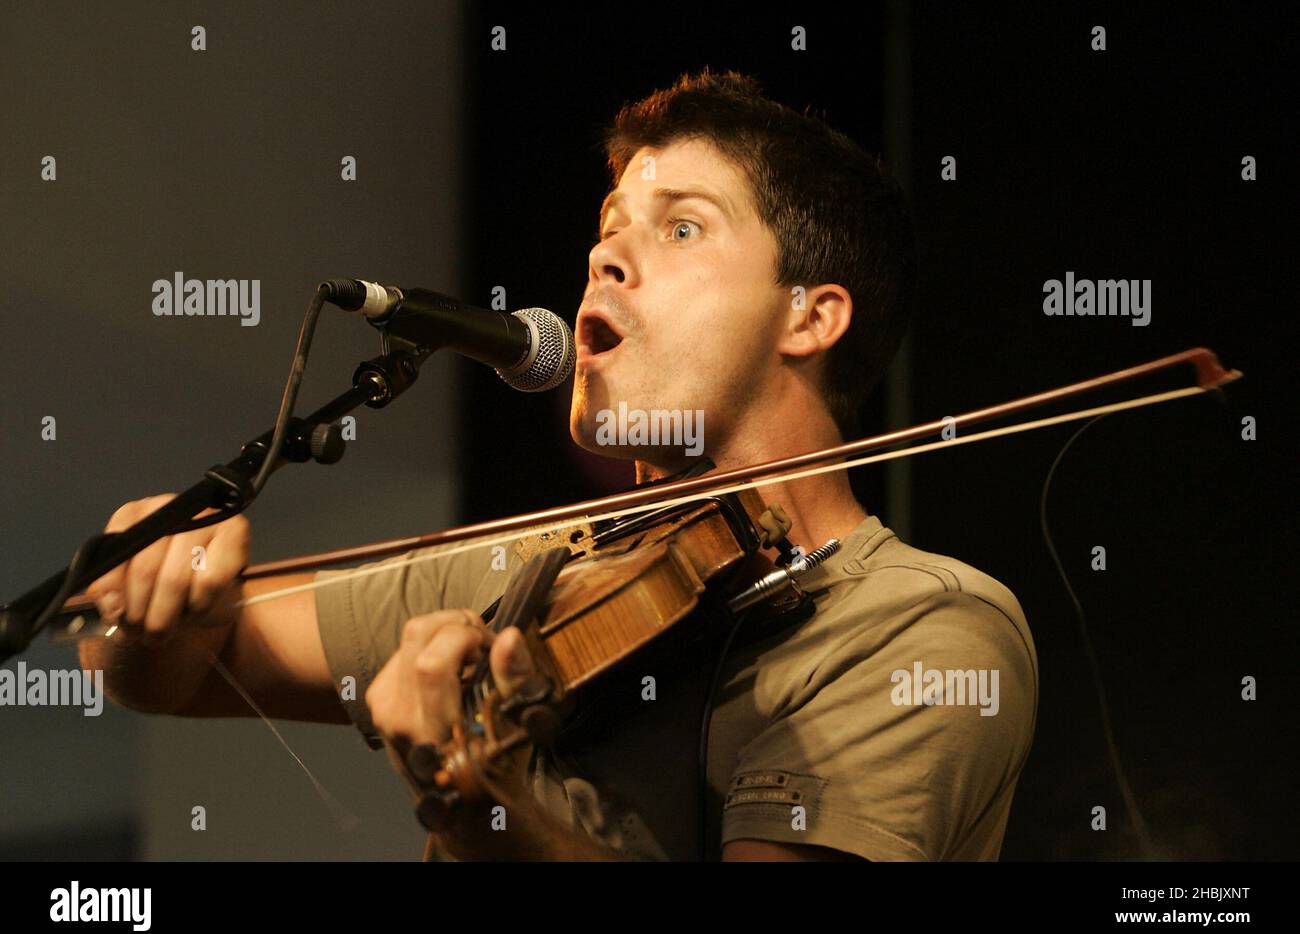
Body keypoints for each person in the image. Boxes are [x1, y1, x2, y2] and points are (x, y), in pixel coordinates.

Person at [79, 69, 1037, 862]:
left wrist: (478, 808)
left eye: (683, 227)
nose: (604, 256)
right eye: (609, 225)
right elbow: (173, 674)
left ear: (811, 317)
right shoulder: (544, 573)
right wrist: (156, 594)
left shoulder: (923, 626)